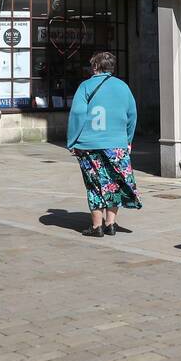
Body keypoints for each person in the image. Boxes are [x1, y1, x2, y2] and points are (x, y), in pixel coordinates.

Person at [67, 51, 140, 237]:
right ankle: (111, 223)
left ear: (95, 67)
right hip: (117, 144)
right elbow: (132, 115)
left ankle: (96, 226)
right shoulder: (123, 87)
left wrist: (72, 140)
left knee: (94, 184)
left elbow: (77, 114)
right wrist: (128, 140)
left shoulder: (85, 86)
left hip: (89, 144)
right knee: (113, 183)